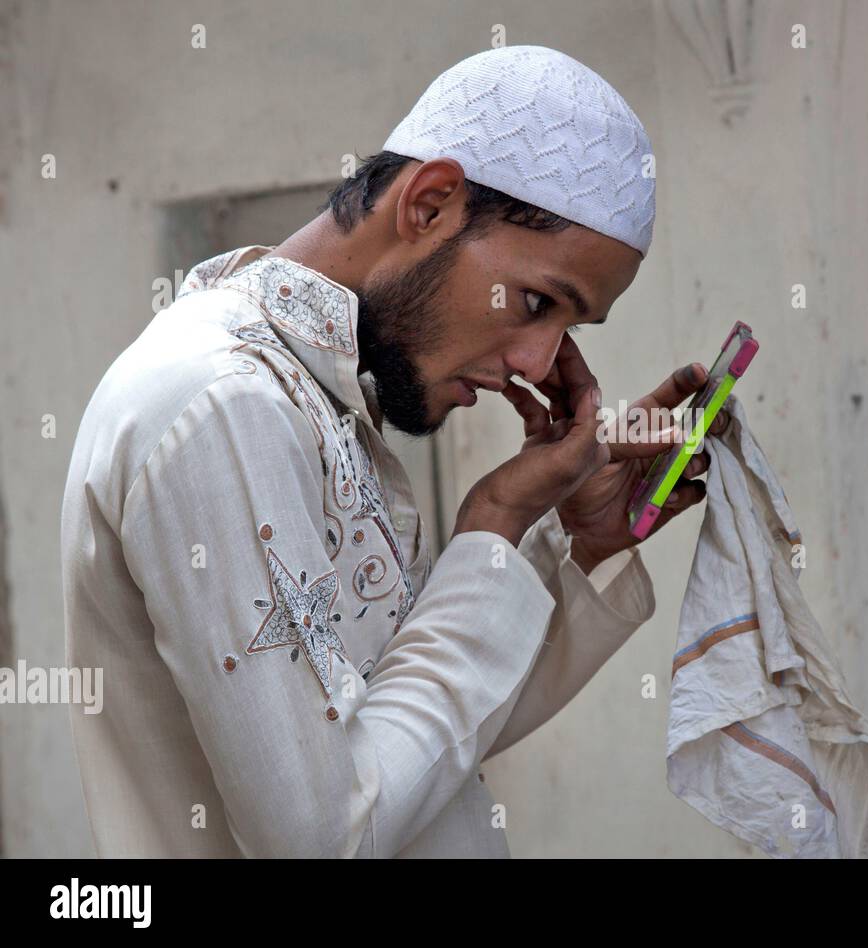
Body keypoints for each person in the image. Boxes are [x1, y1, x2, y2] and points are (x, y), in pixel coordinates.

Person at [60, 45, 725, 857]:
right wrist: (494, 516)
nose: (538, 362)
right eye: (536, 301)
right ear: (431, 204)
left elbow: (420, 752)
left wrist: (570, 544)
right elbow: (325, 835)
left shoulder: (310, 391)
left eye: (567, 328)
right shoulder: (224, 405)